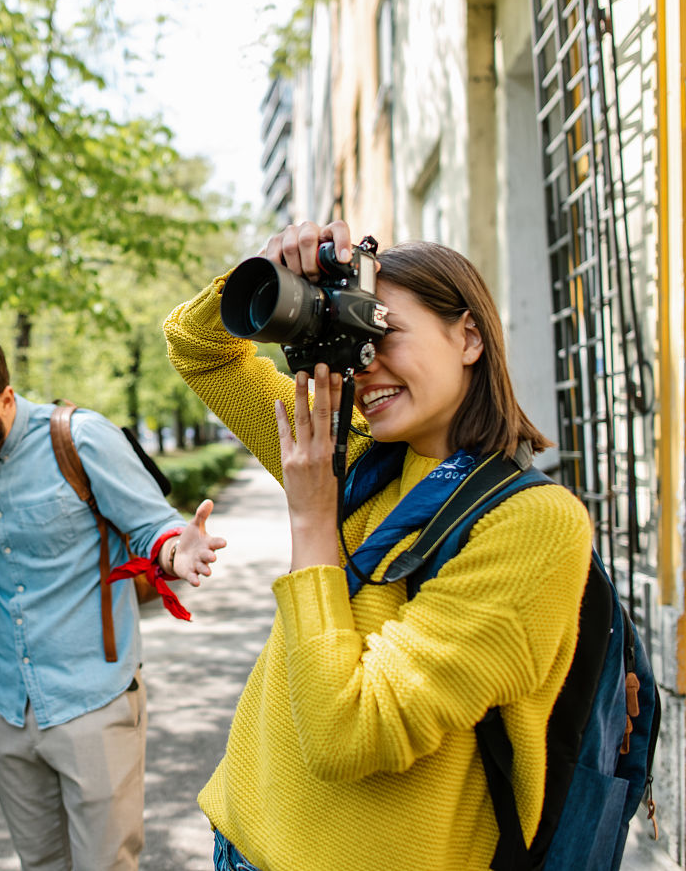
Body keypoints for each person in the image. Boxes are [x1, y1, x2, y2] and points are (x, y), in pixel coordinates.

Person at [163, 221, 594, 871]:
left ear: (469, 337)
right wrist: (271, 265)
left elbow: (348, 735)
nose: (365, 364)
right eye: (355, 336)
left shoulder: (532, 523)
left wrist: (312, 520)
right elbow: (198, 347)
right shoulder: (353, 450)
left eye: (385, 331)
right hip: (240, 836)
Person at [0, 328, 227, 871]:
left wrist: (179, 550)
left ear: (5, 398)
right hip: (10, 705)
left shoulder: (78, 438)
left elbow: (152, 524)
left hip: (93, 698)